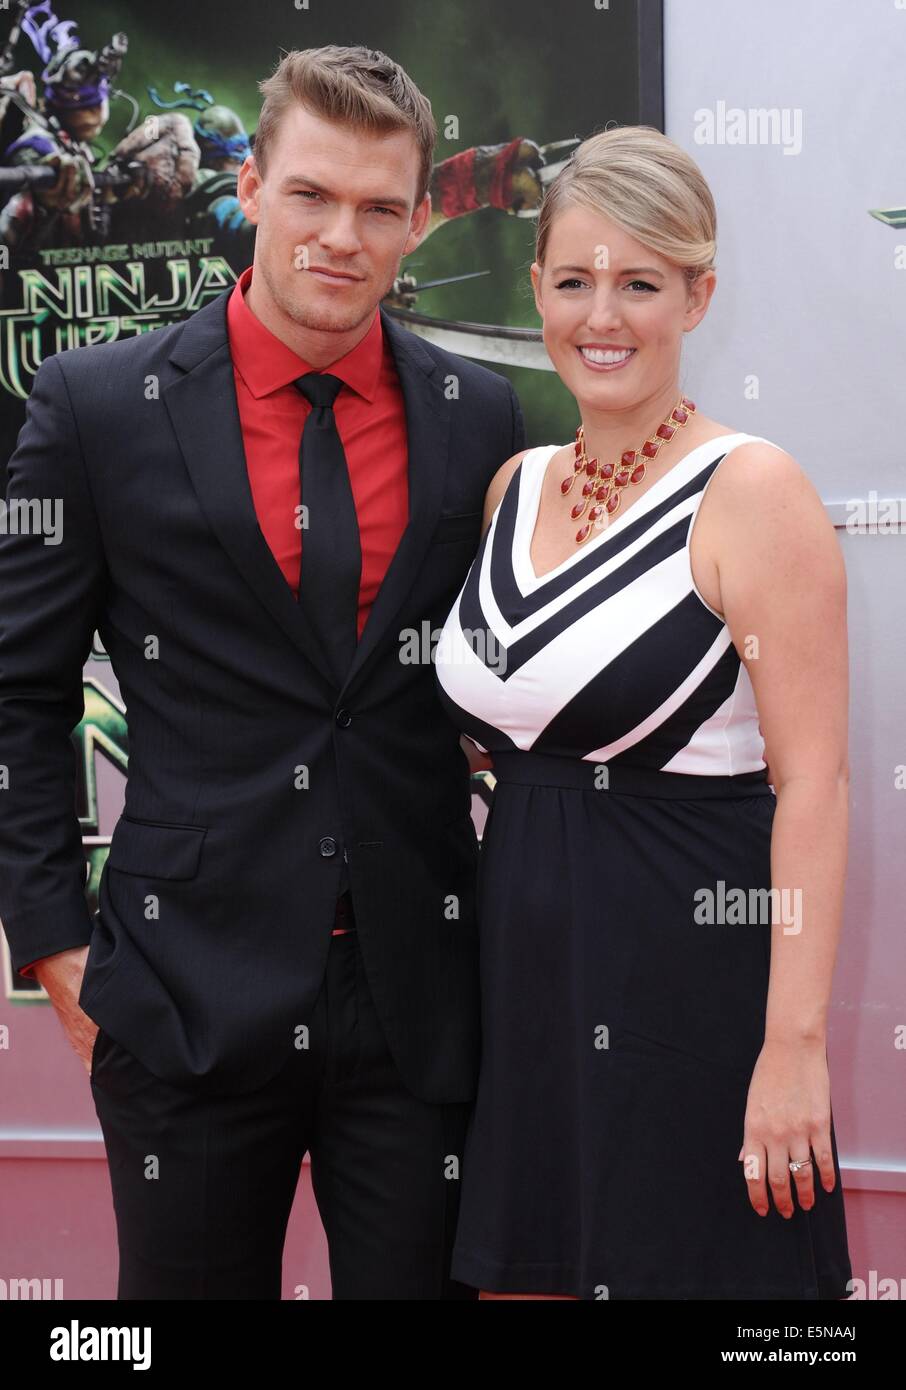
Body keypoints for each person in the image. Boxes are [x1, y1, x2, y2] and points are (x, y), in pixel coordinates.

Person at [0, 45, 525, 1300]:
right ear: (250, 183)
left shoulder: (479, 412)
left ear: (414, 221)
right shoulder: (98, 405)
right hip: (184, 988)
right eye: (312, 195)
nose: (343, 236)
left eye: (380, 208)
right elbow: (19, 690)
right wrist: (57, 949)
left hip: (420, 999)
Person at [434, 124, 852, 1300]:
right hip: (526, 994)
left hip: (691, 993)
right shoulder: (513, 488)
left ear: (698, 295)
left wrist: (794, 1046)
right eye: (574, 281)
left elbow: (812, 783)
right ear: (536, 290)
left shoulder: (752, 490)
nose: (601, 315)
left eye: (641, 283)